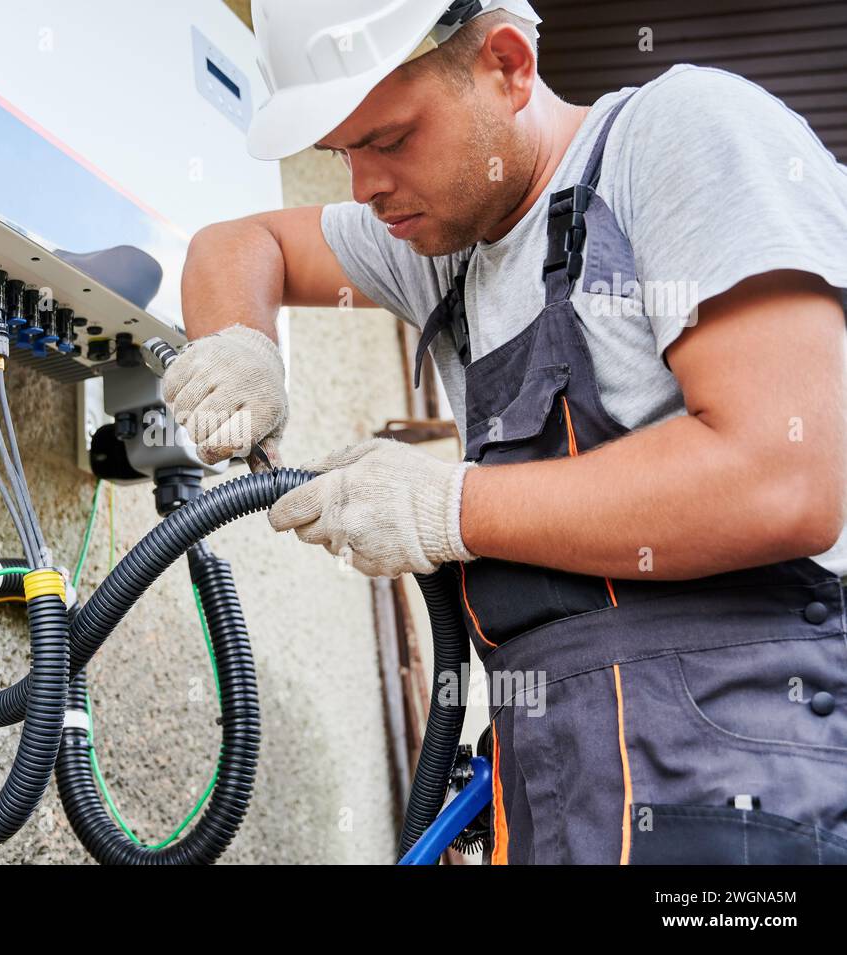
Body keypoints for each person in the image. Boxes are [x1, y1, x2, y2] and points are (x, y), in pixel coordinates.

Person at [162, 0, 847, 863]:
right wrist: (243, 345)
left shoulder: (677, 134)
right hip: (555, 790)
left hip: (742, 794)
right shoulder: (448, 246)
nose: (363, 187)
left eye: (389, 138)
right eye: (341, 152)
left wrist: (445, 509)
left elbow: (782, 477)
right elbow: (238, 243)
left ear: (508, 64)